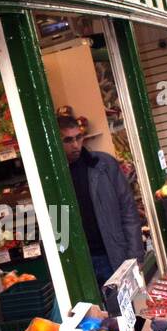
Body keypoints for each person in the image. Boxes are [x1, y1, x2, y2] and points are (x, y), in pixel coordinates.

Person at [58, 114, 143, 287]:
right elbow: (58, 228)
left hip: (112, 255)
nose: (75, 145)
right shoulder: (54, 178)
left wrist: (135, 256)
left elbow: (128, 211)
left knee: (121, 311)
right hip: (80, 263)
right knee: (90, 314)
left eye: (78, 138)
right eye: (68, 140)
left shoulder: (104, 165)